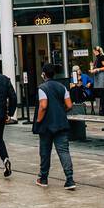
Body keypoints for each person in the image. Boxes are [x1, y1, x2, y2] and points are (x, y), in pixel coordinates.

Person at [33, 62, 75, 190]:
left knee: (45, 152)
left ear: (44, 74)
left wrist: (38, 120)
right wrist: (61, 112)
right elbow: (69, 105)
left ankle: (43, 178)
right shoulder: (62, 87)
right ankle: (69, 178)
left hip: (46, 125)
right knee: (63, 151)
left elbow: (43, 106)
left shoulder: (42, 88)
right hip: (61, 124)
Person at [89, 46, 104, 116]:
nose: (93, 53)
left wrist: (97, 69)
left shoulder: (102, 57)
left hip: (101, 77)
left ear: (96, 51)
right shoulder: (98, 58)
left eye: (94, 51)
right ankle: (102, 110)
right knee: (101, 94)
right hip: (98, 77)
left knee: (102, 93)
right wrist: (92, 68)